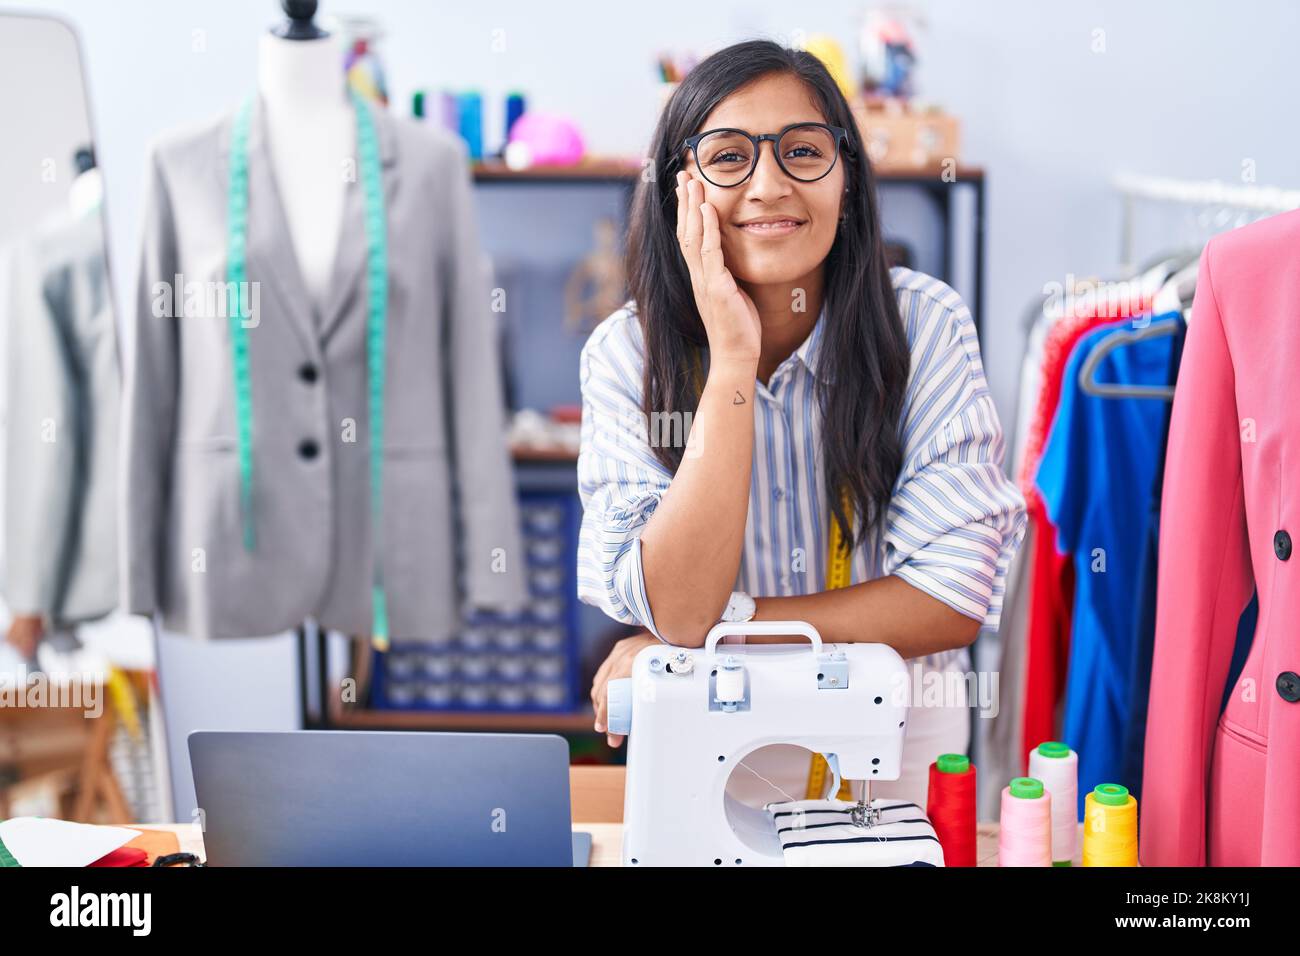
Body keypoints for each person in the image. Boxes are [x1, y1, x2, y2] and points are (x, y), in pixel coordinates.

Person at [577, 39, 1026, 808]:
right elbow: (680, 607)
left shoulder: (924, 327)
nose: (769, 185)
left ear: (847, 181)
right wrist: (730, 363)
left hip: (897, 752)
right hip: (708, 751)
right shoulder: (626, 354)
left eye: (802, 151)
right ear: (681, 191)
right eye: (727, 158)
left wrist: (731, 627)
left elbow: (950, 599)